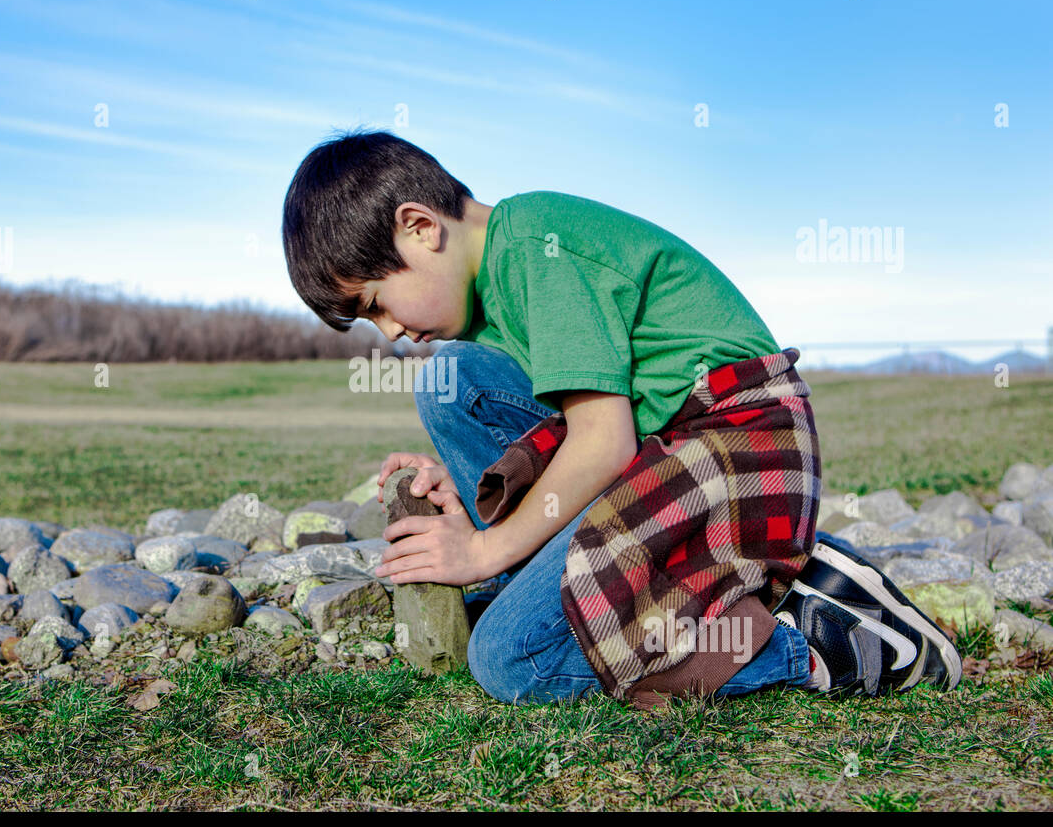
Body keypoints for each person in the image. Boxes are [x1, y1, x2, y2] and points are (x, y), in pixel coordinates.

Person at [282, 127, 960, 709]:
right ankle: (528, 583)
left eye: (376, 303)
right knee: (451, 382)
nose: (390, 331)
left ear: (420, 227)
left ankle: (806, 638)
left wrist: (486, 547)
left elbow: (603, 444)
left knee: (512, 661)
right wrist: (471, 499)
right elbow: (573, 429)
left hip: (740, 444)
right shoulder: (497, 283)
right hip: (669, 438)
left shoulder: (534, 250)